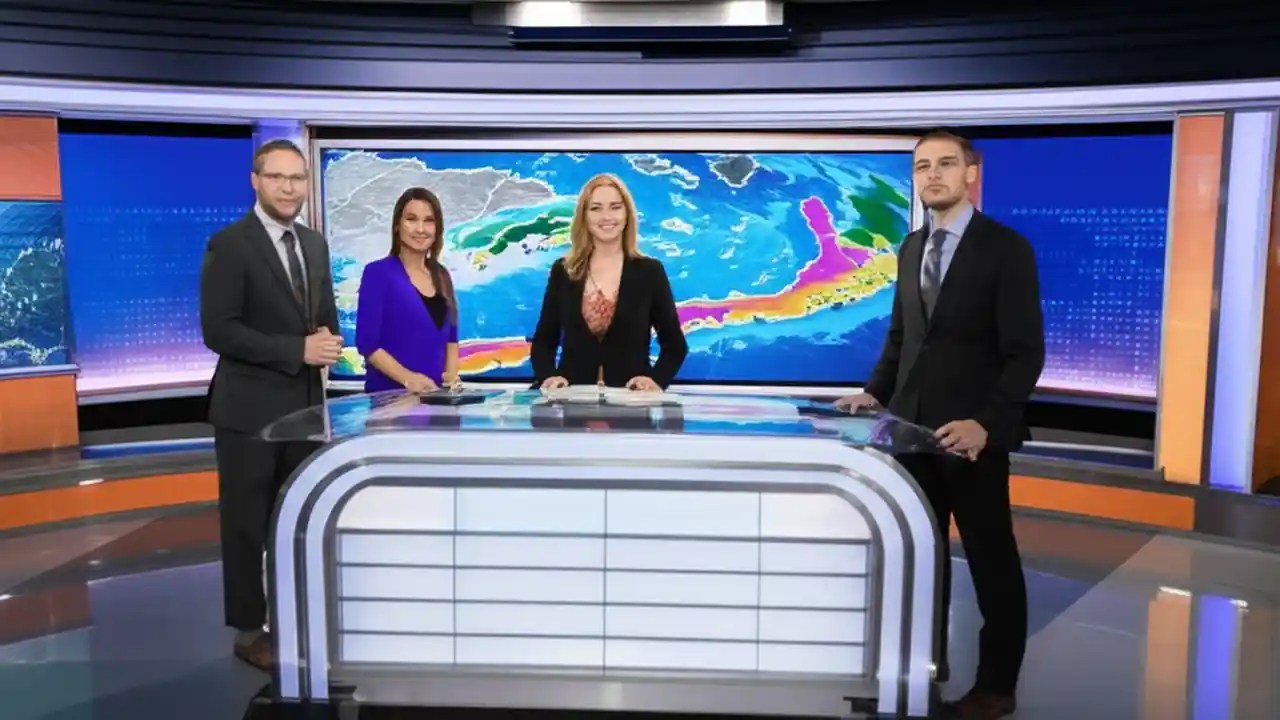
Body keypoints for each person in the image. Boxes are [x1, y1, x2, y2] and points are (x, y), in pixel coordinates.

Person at [836, 130, 1044, 720]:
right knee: (917, 558)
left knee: (991, 563)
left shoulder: (1006, 249)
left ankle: (996, 689)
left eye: (946, 164)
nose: (933, 176)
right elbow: (903, 338)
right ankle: (923, 673)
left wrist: (986, 423)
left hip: (970, 440)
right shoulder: (910, 247)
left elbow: (1025, 352)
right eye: (923, 166)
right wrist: (874, 393)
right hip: (908, 435)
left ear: (970, 173)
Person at [199, 139, 343, 672]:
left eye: (297, 179)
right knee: (247, 524)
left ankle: (294, 614)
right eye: (277, 177)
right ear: (255, 181)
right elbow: (219, 330)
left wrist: (328, 338)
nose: (289, 188)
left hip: (304, 408)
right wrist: (295, 350)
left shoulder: (314, 244)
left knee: (298, 518)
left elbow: (320, 313)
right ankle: (247, 630)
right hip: (247, 412)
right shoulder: (230, 244)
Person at [531, 173, 688, 391]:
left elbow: (675, 346)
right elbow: (544, 341)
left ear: (627, 215)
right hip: (571, 403)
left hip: (632, 405)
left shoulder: (649, 272)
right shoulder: (564, 271)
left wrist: (655, 381)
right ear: (584, 216)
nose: (606, 216)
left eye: (615, 207)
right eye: (596, 208)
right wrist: (548, 377)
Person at [356, 187, 460, 394]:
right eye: (411, 219)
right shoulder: (378, 273)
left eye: (429, 221)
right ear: (397, 225)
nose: (420, 229)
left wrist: (451, 384)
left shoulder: (441, 275)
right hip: (390, 407)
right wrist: (408, 380)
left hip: (437, 406)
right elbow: (367, 344)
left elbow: (451, 339)